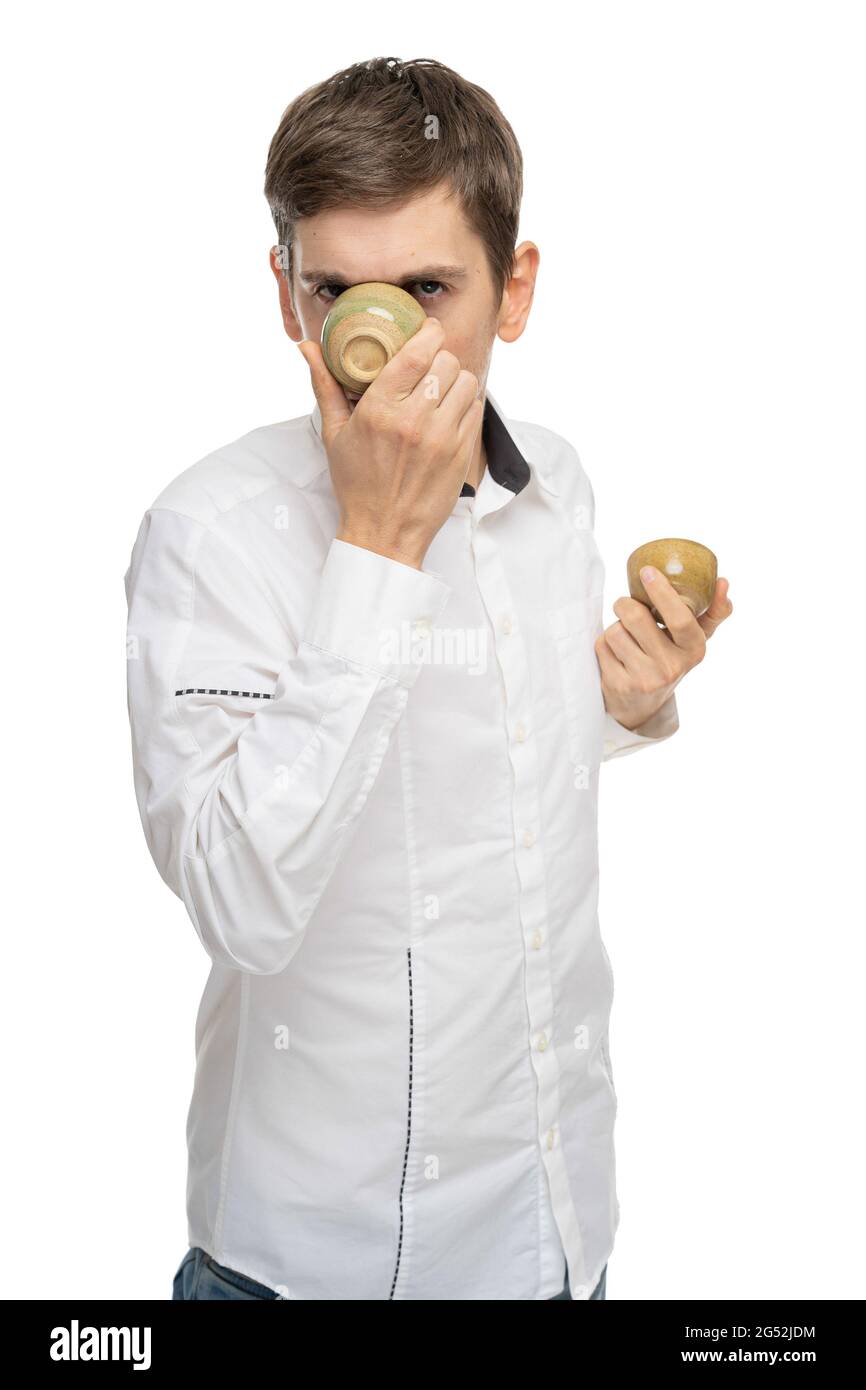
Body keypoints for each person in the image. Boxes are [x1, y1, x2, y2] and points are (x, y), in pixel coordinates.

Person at [125, 56, 732, 1302]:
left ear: (512, 293)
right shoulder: (209, 533)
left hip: (555, 1227)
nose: (376, 336)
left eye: (427, 288)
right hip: (313, 1268)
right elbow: (241, 899)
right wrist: (379, 548)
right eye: (336, 288)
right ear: (287, 301)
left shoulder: (553, 482)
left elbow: (477, 744)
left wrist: (620, 704)